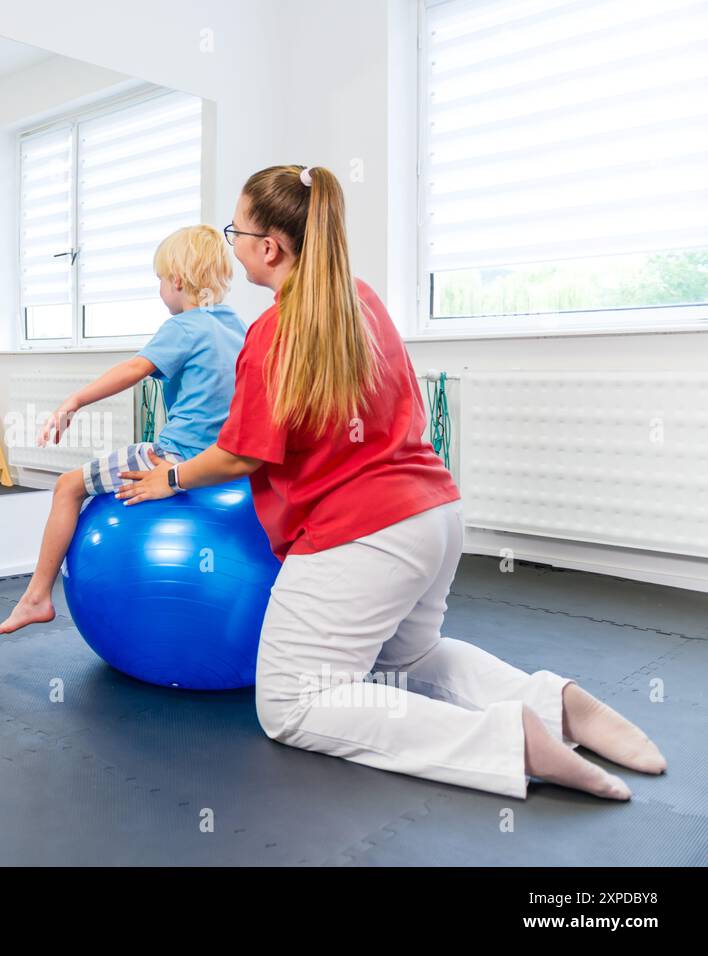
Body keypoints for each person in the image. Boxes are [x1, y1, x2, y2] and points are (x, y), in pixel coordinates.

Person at [117, 165, 667, 801]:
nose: (233, 241)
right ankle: (558, 705)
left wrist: (171, 477)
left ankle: (510, 743)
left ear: (270, 247)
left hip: (365, 536)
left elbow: (243, 454)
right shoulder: (360, 298)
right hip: (434, 514)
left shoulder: (272, 331)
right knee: (405, 661)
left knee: (291, 704)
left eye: (236, 229)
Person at [0, 225, 246, 634]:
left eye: (160, 281)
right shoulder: (237, 325)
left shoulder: (184, 326)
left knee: (66, 486)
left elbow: (135, 368)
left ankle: (36, 596)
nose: (160, 290)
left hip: (173, 457)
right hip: (220, 466)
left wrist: (74, 400)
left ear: (178, 280)